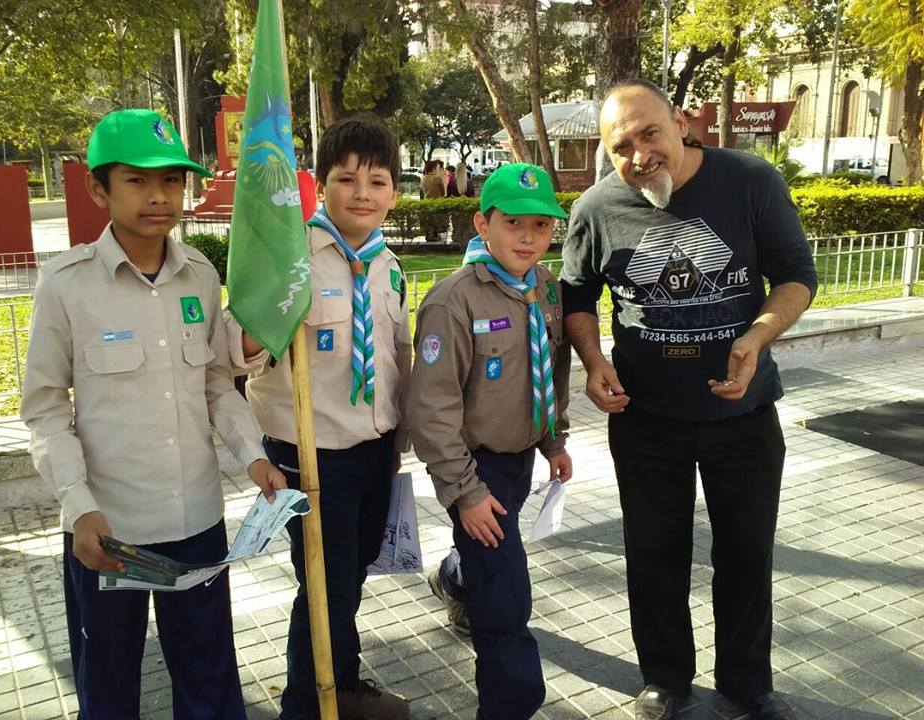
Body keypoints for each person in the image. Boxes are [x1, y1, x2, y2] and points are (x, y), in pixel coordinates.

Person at [560, 79, 817, 720]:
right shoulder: (596, 208)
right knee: (653, 555)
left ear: (679, 123)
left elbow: (796, 275)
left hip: (745, 413)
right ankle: (665, 681)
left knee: (746, 554)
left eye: (650, 134)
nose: (640, 154)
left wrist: (758, 335)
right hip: (644, 419)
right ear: (606, 152)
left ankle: (747, 682)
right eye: (621, 146)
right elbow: (575, 296)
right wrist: (593, 363)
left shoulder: (749, 181)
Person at [20, 108, 287, 719]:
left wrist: (253, 458)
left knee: (210, 680)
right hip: (108, 533)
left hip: (196, 522)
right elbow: (43, 411)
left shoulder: (199, 276)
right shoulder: (66, 285)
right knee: (109, 686)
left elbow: (218, 385)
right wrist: (77, 506)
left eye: (171, 180)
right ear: (98, 189)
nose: (159, 196)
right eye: (137, 180)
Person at [225, 114, 412, 720]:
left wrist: (400, 439)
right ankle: (307, 704)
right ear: (320, 183)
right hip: (309, 453)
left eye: (378, 181)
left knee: (348, 577)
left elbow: (395, 357)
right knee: (324, 587)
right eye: (346, 178)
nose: (362, 193)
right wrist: (260, 320)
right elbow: (240, 350)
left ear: (395, 191)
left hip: (373, 449)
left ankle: (343, 682)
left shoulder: (389, 267)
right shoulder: (292, 257)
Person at [408, 162, 574, 720]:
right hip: (475, 468)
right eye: (512, 223)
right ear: (482, 224)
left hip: (522, 457)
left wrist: (554, 441)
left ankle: (454, 578)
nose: (528, 237)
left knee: (486, 564)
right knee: (505, 598)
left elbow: (551, 372)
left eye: (542, 225)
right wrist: (465, 491)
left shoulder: (547, 290)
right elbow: (431, 408)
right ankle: (513, 705)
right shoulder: (453, 301)